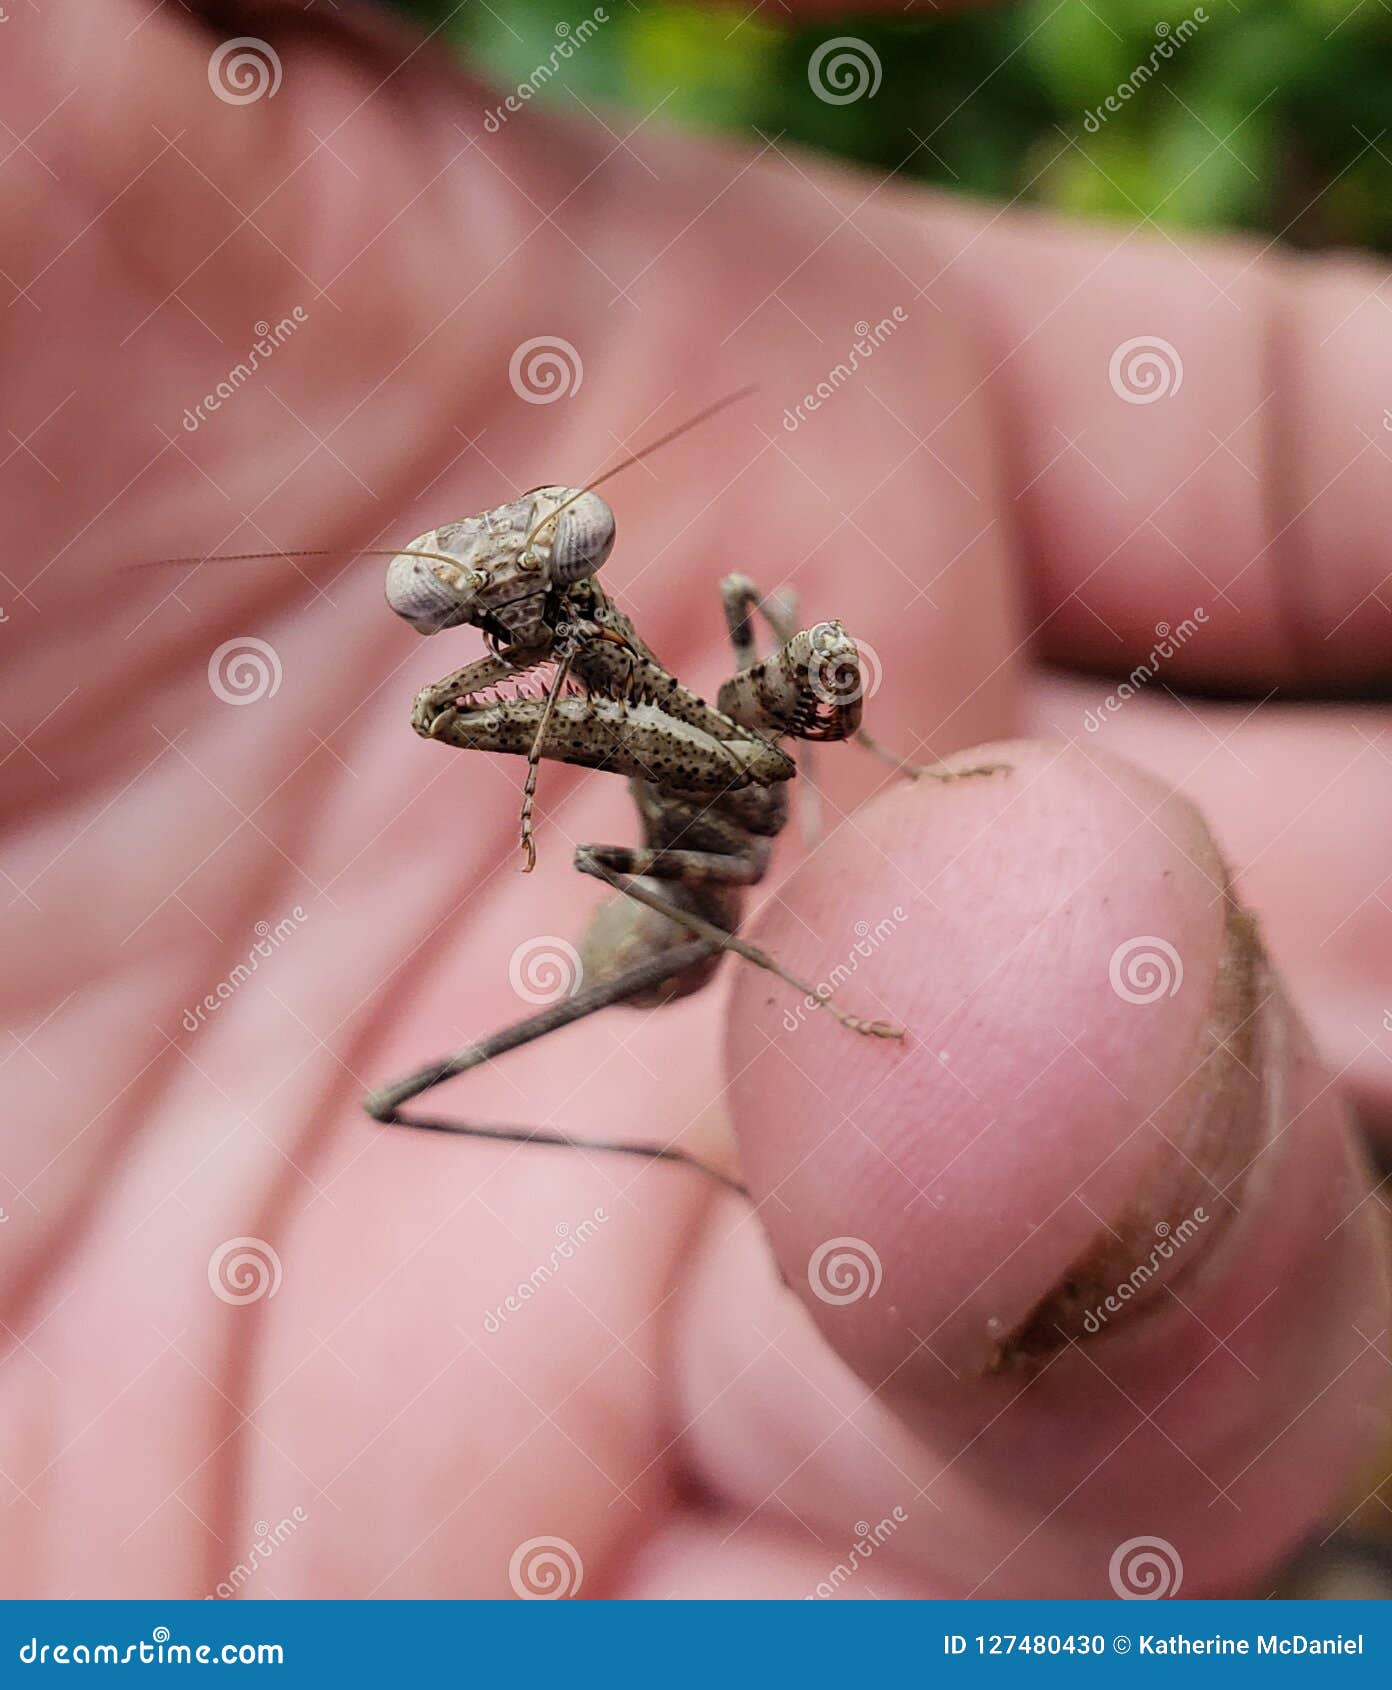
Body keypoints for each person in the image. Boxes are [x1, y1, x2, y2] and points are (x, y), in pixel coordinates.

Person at [2, 0, 1388, 1600]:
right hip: (657, 936)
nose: (530, 603)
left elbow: (728, 692)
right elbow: (561, 730)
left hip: (689, 825)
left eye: (544, 570)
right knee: (438, 1063)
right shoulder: (543, 708)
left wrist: (851, 752)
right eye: (504, 595)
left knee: (771, 639)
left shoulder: (637, 666)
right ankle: (702, 1128)